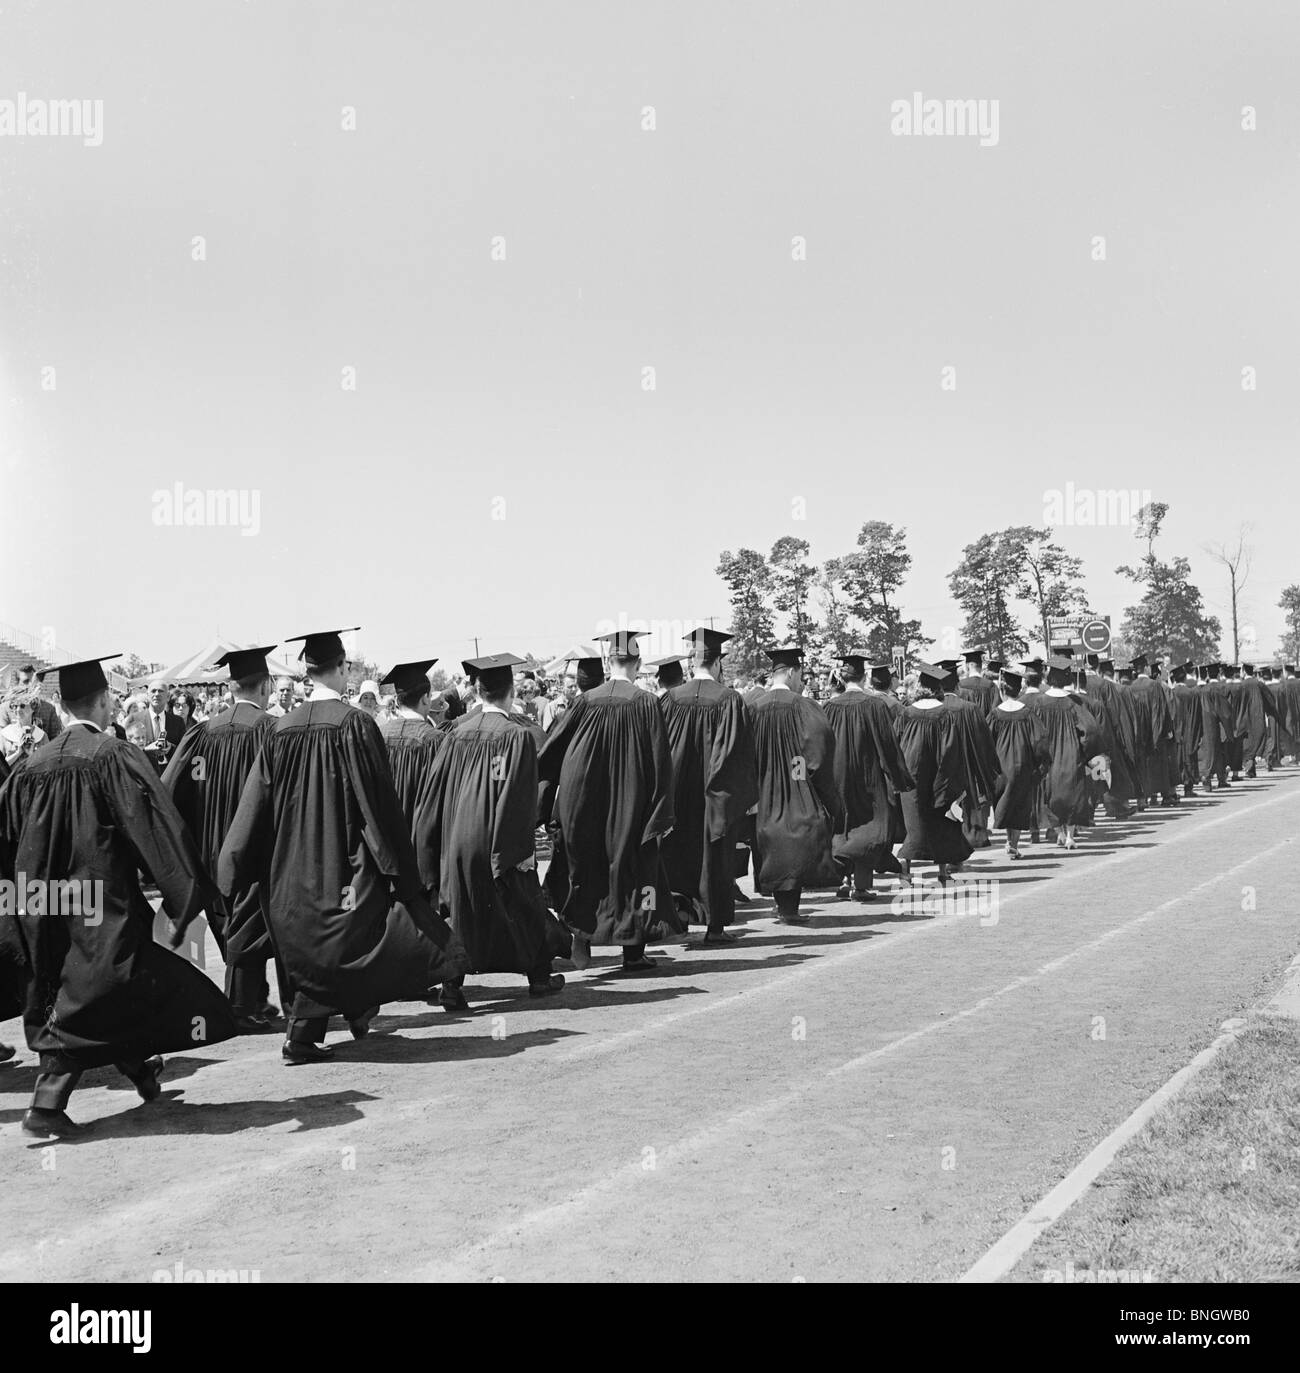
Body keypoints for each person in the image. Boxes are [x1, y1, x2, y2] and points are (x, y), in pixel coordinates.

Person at [0, 655, 236, 1137]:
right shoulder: (110, 755)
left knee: (94, 989)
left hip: (44, 906)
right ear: (106, 700)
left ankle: (142, 1071)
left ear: (60, 706)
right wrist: (180, 893)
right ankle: (46, 1104)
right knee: (101, 988)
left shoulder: (29, 768)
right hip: (103, 903)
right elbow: (151, 825)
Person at [217, 629, 467, 1063]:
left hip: (290, 869)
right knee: (360, 940)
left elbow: (254, 805)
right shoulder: (354, 724)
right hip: (345, 863)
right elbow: (377, 805)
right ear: (343, 668)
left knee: (314, 946)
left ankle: (316, 1028)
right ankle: (339, 1018)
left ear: (305, 671)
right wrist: (400, 871)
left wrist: (233, 866)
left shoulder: (281, 729)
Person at [413, 652, 564, 1006]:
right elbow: (517, 797)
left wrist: (432, 845)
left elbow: (433, 794)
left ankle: (452, 987)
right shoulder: (516, 736)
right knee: (524, 905)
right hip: (498, 837)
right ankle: (539, 978)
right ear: (511, 691)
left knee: (461, 912)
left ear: (477, 691)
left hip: (456, 840)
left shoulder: (455, 735)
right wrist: (517, 848)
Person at [537, 629, 677, 973]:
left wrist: (543, 804)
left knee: (586, 868)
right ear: (638, 664)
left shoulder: (585, 702)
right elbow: (661, 761)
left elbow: (551, 752)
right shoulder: (646, 702)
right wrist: (660, 813)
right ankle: (632, 952)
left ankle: (581, 945)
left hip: (583, 802)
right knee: (632, 871)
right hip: (630, 804)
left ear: (606, 662)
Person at [162, 645, 281, 1034]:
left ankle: (253, 1000)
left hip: (209, 847)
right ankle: (243, 1006)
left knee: (230, 921)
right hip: (254, 845)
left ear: (230, 688)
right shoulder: (271, 730)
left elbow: (170, 789)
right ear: (265, 686)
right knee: (251, 923)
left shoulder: (201, 733)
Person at [659, 628, 758, 943]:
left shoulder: (670, 699)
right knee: (714, 857)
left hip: (676, 798)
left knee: (677, 854)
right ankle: (714, 928)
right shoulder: (730, 701)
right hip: (715, 798)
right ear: (717, 664)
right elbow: (739, 757)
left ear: (691, 663)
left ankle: (680, 919)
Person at [747, 645, 844, 923]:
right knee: (795, 837)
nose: (802, 682)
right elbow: (819, 753)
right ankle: (788, 908)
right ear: (791, 673)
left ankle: (783, 905)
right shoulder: (805, 707)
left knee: (772, 839)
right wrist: (827, 793)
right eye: (800, 675)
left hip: (765, 788)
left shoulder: (754, 708)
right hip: (797, 785)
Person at [823, 650, 913, 901]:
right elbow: (888, 745)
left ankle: (844, 880)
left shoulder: (829, 707)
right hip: (869, 778)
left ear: (842, 677)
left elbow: (823, 746)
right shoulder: (875, 705)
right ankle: (861, 886)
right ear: (864, 677)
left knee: (843, 826)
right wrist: (898, 777)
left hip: (838, 778)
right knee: (867, 826)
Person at [894, 663, 972, 885]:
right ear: (939, 688)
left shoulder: (906, 713)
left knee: (913, 823)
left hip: (912, 777)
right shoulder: (945, 715)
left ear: (919, 687)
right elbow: (951, 751)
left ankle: (905, 871)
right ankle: (942, 872)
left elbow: (896, 746)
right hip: (940, 776)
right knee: (940, 822)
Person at [1031, 656, 1106, 849]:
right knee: (1072, 794)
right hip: (1071, 756)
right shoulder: (1074, 703)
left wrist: (1037, 755)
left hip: (1048, 758)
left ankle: (1059, 833)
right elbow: (1090, 731)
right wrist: (1087, 753)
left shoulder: (1039, 703)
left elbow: (1034, 734)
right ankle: (1071, 836)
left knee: (1050, 795)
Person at [985, 668, 1049, 858]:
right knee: (1020, 805)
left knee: (1005, 803)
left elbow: (986, 742)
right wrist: (1040, 766)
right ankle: (1013, 843)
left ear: (1002, 690)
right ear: (1019, 689)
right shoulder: (1028, 714)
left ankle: (1009, 841)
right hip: (1023, 767)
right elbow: (1040, 742)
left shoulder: (995, 715)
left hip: (1001, 769)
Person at [378, 659, 443, 821]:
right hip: (422, 834)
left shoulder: (379, 735)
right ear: (425, 699)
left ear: (397, 701)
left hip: (386, 834)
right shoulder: (436, 740)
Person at [1235, 663, 1277, 778]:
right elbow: (1270, 699)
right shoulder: (1259, 684)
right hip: (1258, 718)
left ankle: (1250, 767)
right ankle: (1251, 768)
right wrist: (1269, 712)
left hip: (1244, 719)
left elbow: (1236, 704)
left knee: (1247, 743)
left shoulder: (1240, 685)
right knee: (1256, 742)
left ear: (1243, 671)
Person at [1168, 662, 1203, 796]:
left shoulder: (1170, 693)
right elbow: (1198, 715)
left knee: (1175, 760)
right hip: (1190, 731)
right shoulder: (1192, 693)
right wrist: (1199, 733)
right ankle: (1189, 788)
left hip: (1175, 732)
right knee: (1189, 757)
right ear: (1184, 679)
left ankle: (1174, 790)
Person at [1, 686, 49, 768]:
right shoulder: (5, 734)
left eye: (22, 706)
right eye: (14, 706)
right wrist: (18, 753)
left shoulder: (42, 736)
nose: (18, 710)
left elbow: (47, 766)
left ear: (33, 707)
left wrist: (31, 754)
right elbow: (1, 768)